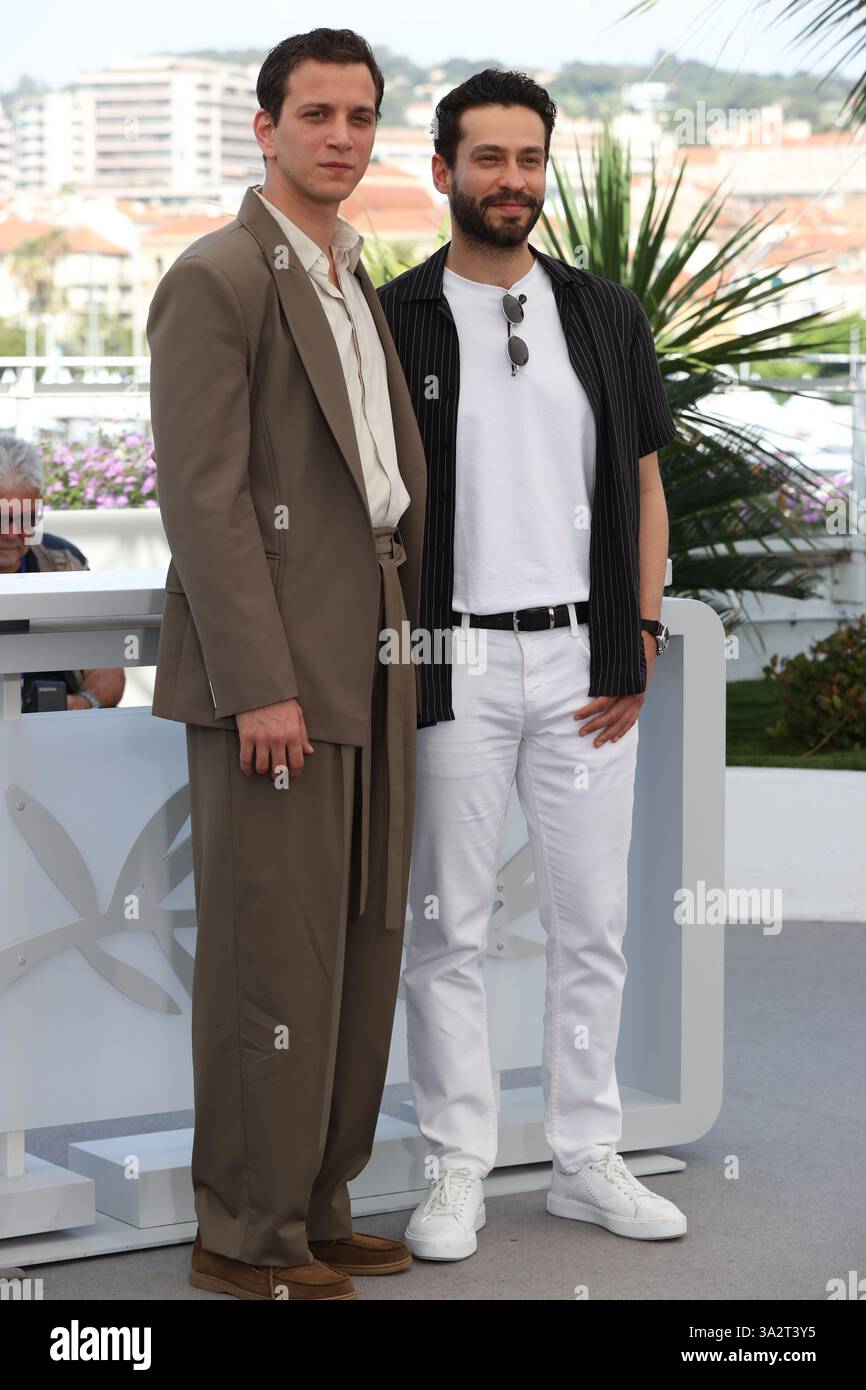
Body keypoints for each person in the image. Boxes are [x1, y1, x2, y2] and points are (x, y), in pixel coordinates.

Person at [377, 68, 685, 1260]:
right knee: (447, 928)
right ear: (443, 169)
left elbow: (645, 487)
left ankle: (580, 1157)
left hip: (585, 661)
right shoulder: (391, 315)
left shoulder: (605, 313)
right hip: (446, 663)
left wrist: (642, 630)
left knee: (589, 922)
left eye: (527, 159)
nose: (510, 180)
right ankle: (456, 1167)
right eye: (487, 157)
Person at [146, 29, 426, 1301]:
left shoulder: (354, 277)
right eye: (315, 114)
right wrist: (259, 679)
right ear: (263, 128)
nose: (340, 136)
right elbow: (203, 502)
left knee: (362, 944)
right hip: (276, 677)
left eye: (360, 117)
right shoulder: (219, 275)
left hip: (373, 651)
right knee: (275, 952)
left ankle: (315, 1203)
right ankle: (242, 1236)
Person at [0, 433, 125, 713]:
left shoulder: (64, 561)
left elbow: (107, 666)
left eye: (24, 518)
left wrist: (80, 704)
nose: (11, 533)